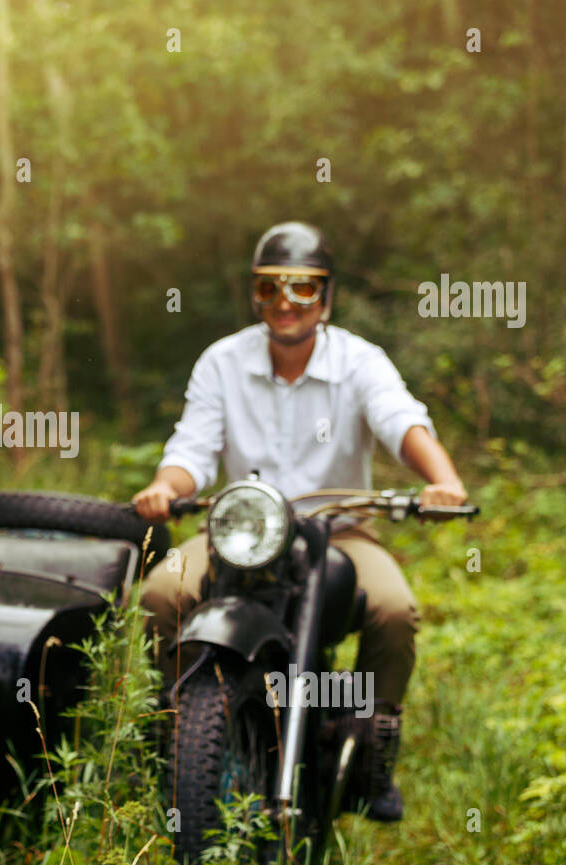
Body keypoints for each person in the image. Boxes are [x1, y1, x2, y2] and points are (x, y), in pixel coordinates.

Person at [132, 221, 468, 821]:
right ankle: (179, 732)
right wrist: (165, 486)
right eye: (269, 289)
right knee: (163, 593)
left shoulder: (361, 361)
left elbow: (401, 422)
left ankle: (373, 746)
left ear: (328, 295)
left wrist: (442, 481)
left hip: (339, 531)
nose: (285, 303)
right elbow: (193, 448)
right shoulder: (223, 361)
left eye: (303, 289)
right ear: (255, 294)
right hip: (241, 532)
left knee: (393, 612)